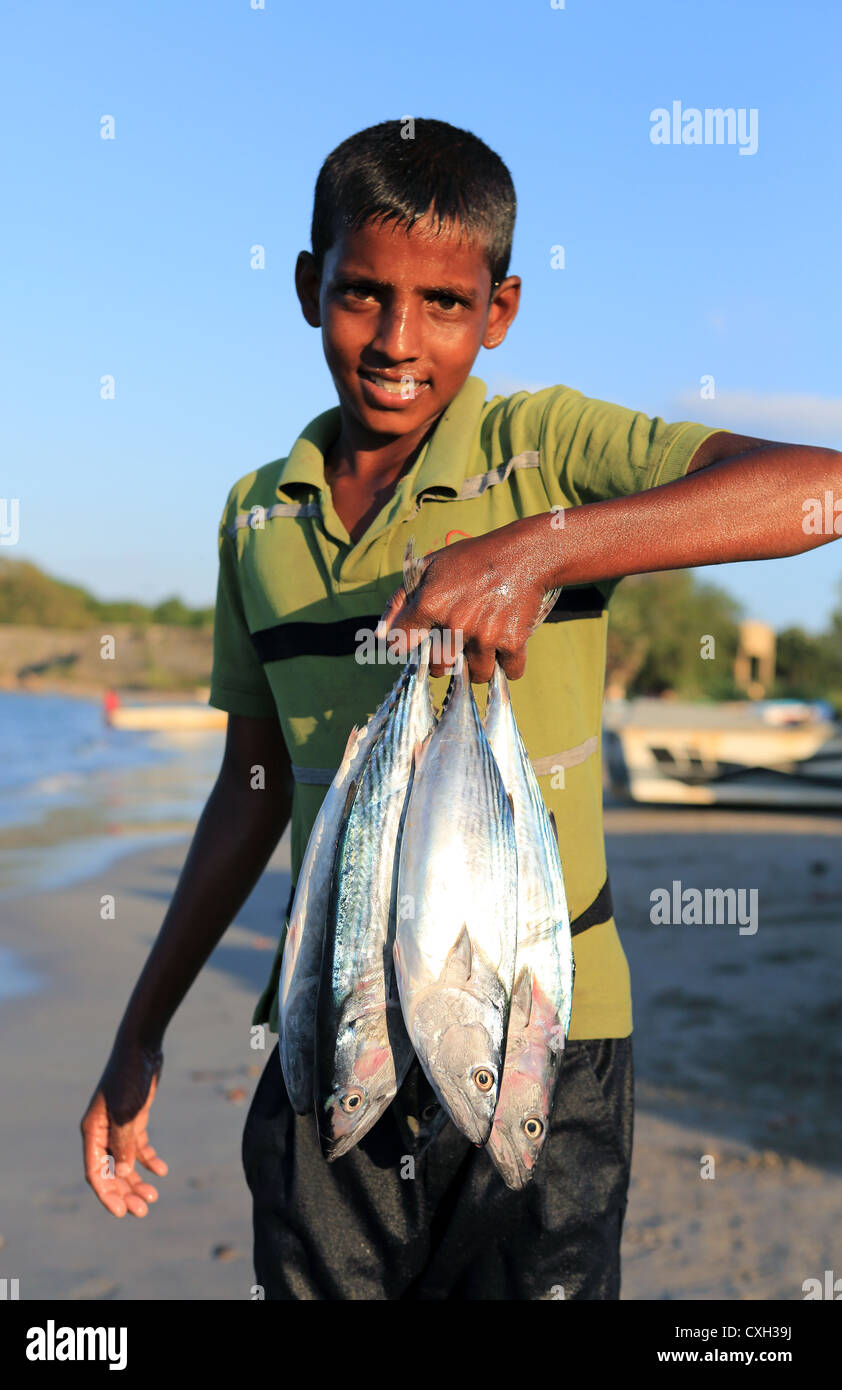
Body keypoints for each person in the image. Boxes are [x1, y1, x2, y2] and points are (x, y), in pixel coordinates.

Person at [80, 117, 841, 1300]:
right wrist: (141, 1028)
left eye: (443, 304)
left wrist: (541, 549)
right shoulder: (253, 519)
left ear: (500, 311)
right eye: (359, 295)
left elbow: (821, 493)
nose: (396, 340)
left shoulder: (542, 449)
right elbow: (254, 783)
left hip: (542, 1032)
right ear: (305, 286)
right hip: (325, 1031)